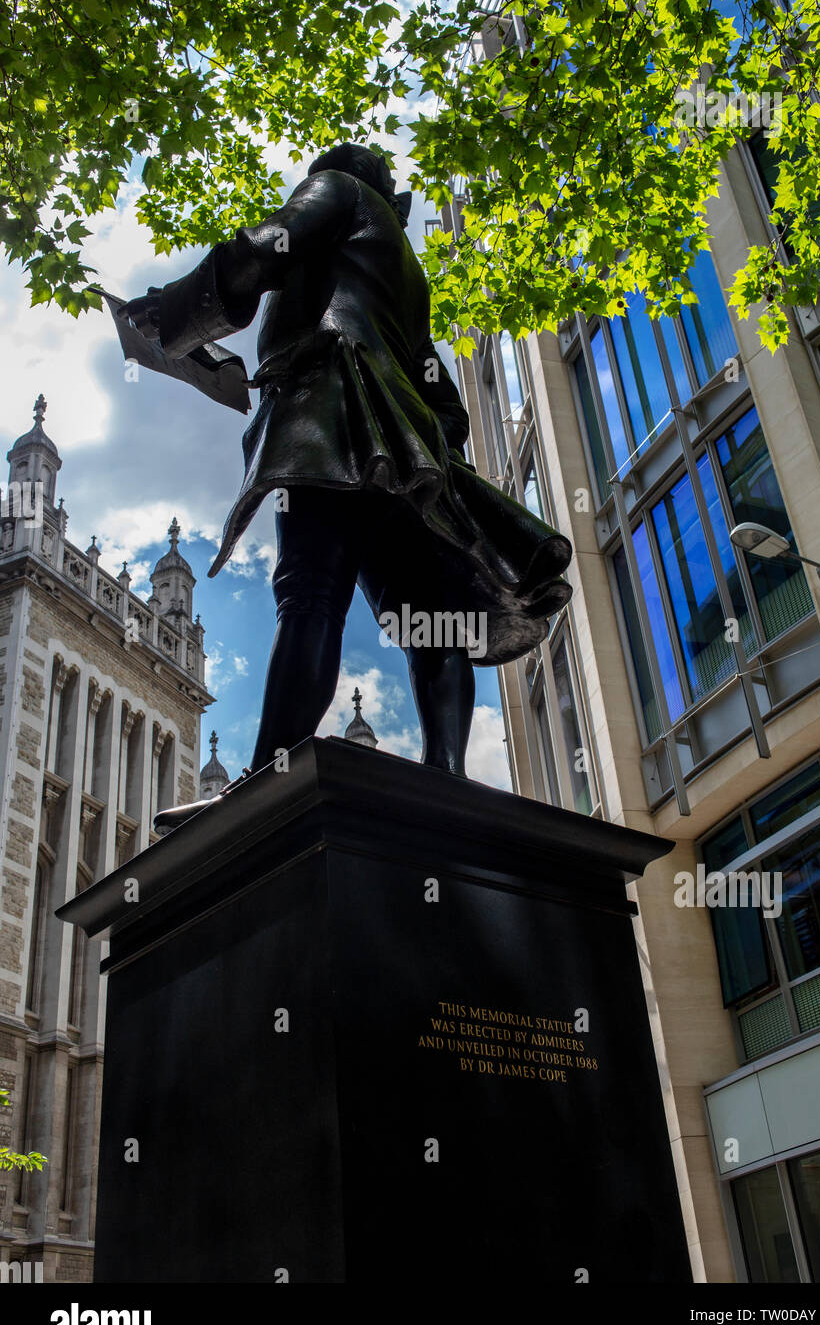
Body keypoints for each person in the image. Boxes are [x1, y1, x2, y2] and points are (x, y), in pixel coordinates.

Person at [121, 144, 572, 832]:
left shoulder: (338, 192)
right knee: (430, 618)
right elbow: (444, 397)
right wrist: (433, 453)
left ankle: (268, 779)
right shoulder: (403, 262)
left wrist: (176, 313)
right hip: (402, 441)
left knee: (310, 592)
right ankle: (446, 777)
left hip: (329, 414)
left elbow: (268, 244)